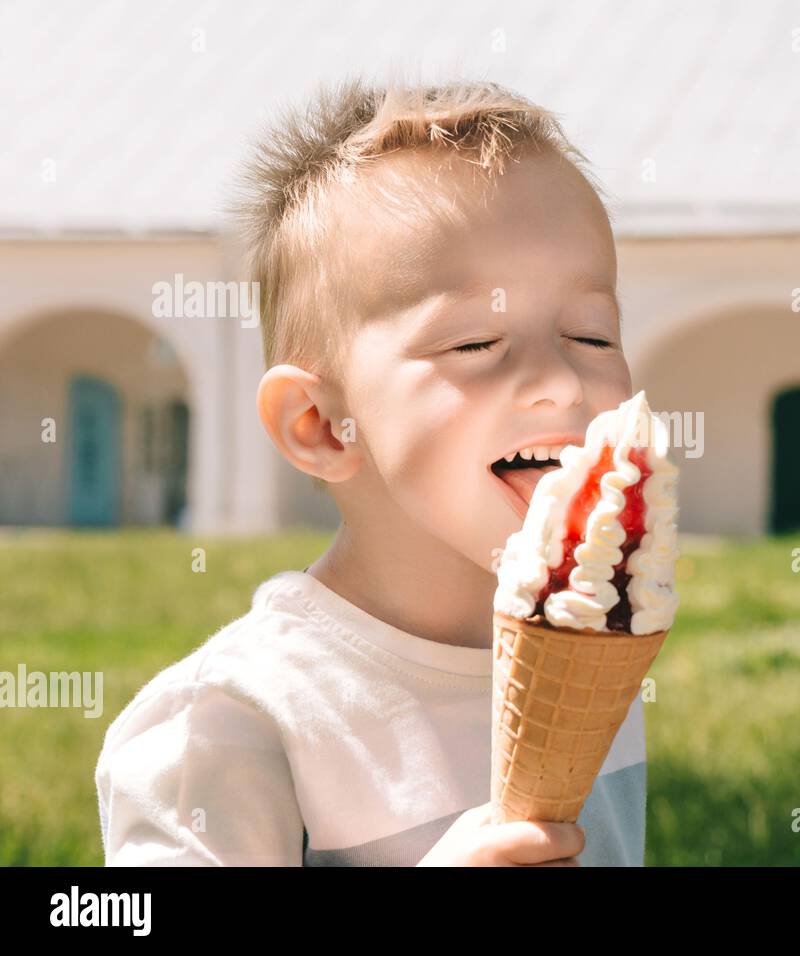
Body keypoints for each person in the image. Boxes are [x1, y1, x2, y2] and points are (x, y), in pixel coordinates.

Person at [94, 78, 646, 866]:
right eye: (474, 345)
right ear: (320, 426)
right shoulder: (232, 723)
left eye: (592, 335)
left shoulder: (600, 654)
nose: (561, 382)